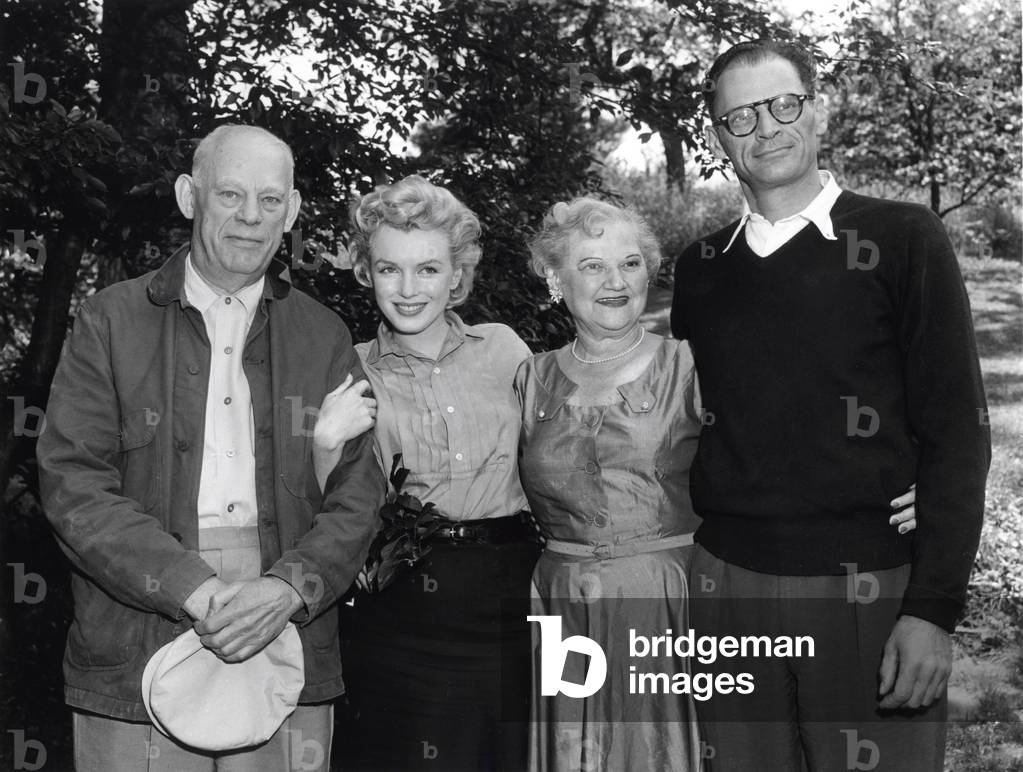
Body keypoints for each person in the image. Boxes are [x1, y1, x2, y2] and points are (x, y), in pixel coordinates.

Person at [670, 39, 991, 771]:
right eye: (740, 116)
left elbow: (956, 429)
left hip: (869, 586)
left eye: (783, 105)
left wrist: (931, 606)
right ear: (719, 137)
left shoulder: (903, 236)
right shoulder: (699, 270)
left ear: (817, 112)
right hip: (728, 588)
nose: (766, 128)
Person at [37, 124, 385, 771]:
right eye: (230, 195)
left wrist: (288, 588)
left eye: (270, 200)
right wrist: (192, 588)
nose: (251, 218)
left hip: (287, 627)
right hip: (137, 628)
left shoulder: (323, 334)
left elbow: (360, 493)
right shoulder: (110, 321)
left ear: (293, 211)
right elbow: (71, 484)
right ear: (188, 195)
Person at [313, 174, 540, 771]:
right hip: (402, 607)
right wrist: (323, 441)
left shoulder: (505, 349)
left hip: (510, 598)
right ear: (367, 272)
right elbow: (323, 510)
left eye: (429, 269)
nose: (408, 289)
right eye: (389, 269)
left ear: (457, 275)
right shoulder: (349, 368)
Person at [516, 197, 705, 771]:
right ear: (556, 279)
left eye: (630, 263)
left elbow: (781, 449)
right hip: (563, 601)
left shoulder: (689, 366)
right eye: (593, 265)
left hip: (667, 600)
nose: (615, 281)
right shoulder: (532, 377)